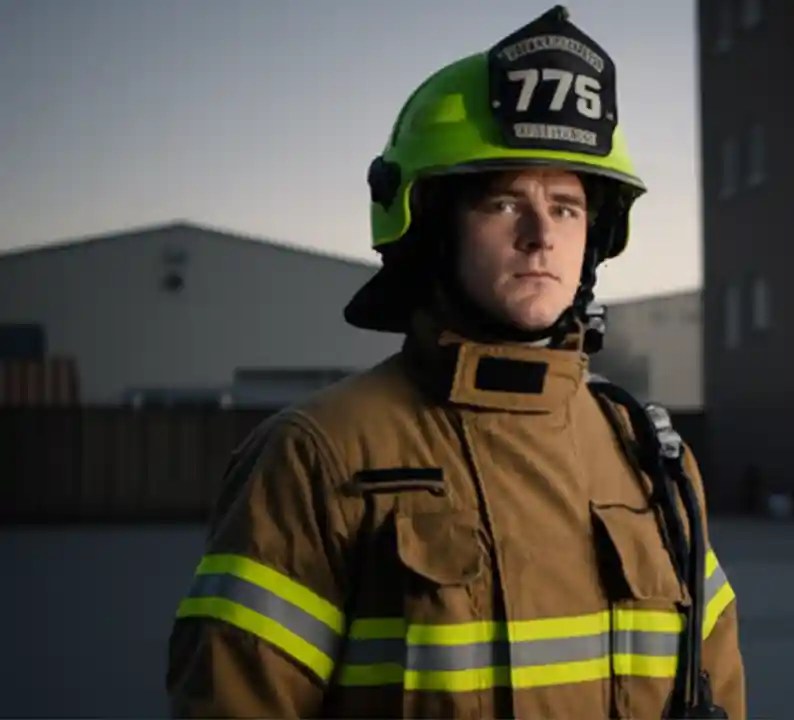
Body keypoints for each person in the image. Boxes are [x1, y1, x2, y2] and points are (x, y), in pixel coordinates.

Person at [164, 6, 746, 718]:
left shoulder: (651, 461)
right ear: (430, 227)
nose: (541, 238)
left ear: (595, 239)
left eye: (566, 208)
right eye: (503, 203)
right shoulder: (319, 456)